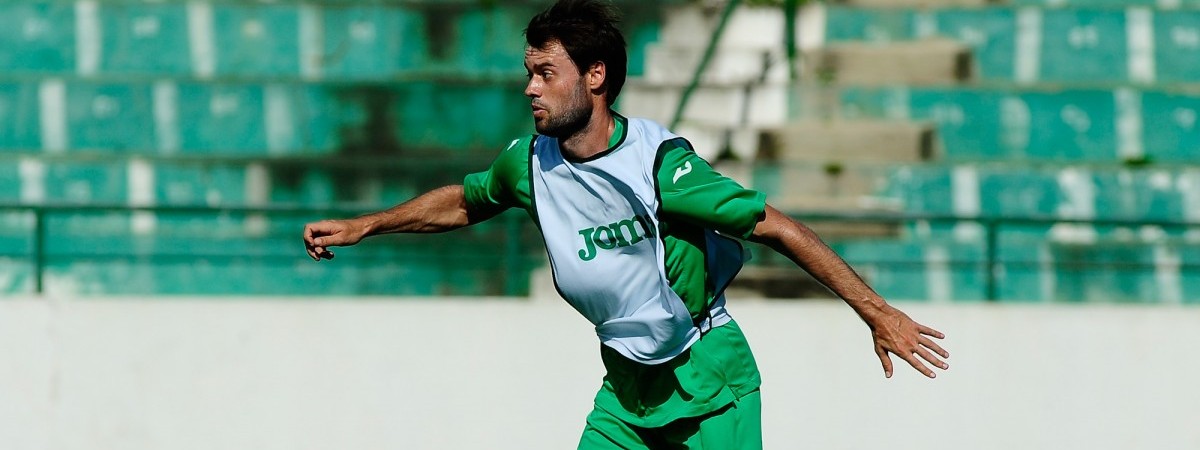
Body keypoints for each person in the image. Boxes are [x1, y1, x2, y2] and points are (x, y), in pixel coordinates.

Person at [302, 0, 949, 448]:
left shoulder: (660, 167)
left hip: (708, 379)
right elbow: (469, 201)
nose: (531, 88)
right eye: (529, 72)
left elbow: (778, 227)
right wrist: (369, 224)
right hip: (627, 392)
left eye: (545, 73)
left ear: (596, 76)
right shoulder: (528, 164)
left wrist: (875, 310)